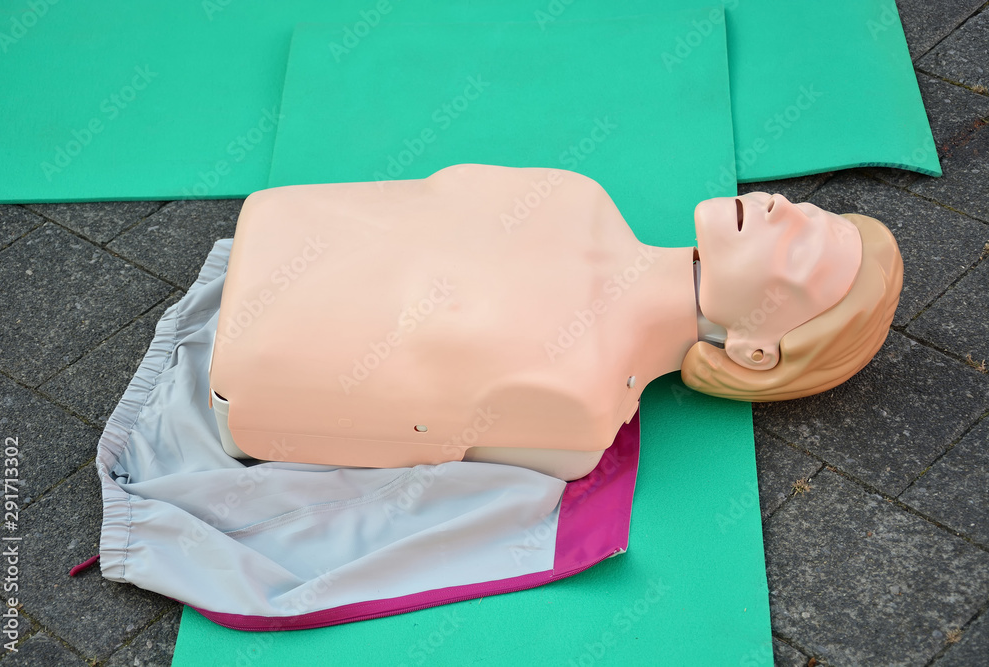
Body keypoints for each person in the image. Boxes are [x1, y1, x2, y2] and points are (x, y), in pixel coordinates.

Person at [211, 164, 903, 479]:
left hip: (250, 368)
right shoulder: (576, 195)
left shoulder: (580, 398)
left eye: (803, 250)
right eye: (812, 214)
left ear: (754, 352)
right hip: (269, 249)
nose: (785, 206)